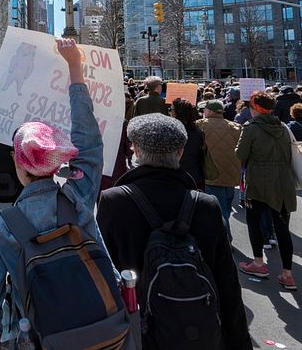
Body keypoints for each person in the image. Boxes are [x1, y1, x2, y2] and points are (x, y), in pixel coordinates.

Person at [0, 39, 106, 346]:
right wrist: (75, 67)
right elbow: (90, 146)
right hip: (102, 332)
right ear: (57, 159)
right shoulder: (79, 198)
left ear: (19, 163)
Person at [97, 113, 252, 349]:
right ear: (180, 152)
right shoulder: (206, 204)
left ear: (135, 150)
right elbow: (227, 283)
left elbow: (104, 275)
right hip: (196, 329)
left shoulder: (114, 201)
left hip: (138, 331)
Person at [235, 91, 298, 290]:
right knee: (282, 228)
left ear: (254, 108)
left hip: (259, 182)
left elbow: (241, 154)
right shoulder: (283, 127)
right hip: (283, 181)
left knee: (254, 222)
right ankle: (288, 274)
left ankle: (258, 263)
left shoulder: (251, 128)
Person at [198, 99, 243, 238]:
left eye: (204, 110)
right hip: (232, 173)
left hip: (212, 173)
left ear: (209, 111)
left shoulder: (200, 125)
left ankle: (225, 239)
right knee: (226, 208)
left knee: (219, 210)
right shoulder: (235, 126)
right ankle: (223, 233)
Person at [170, 98, 204, 190]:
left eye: (171, 109)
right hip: (195, 175)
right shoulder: (198, 131)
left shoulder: (172, 131)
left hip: (176, 177)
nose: (170, 112)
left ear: (177, 112)